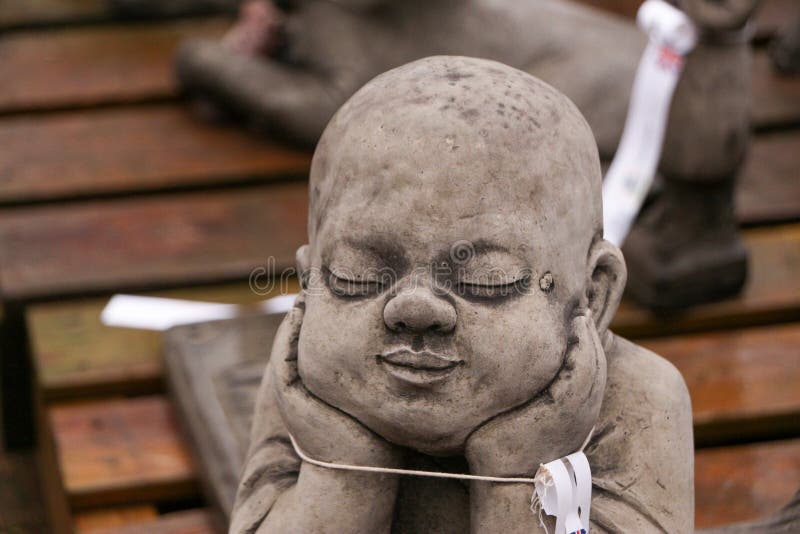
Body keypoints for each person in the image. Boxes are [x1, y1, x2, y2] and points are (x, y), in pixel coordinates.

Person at [231, 56, 693, 533]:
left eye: (486, 281)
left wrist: (518, 469)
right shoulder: (309, 384)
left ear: (593, 296)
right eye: (356, 277)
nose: (413, 309)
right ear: (310, 285)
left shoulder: (637, 399)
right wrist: (342, 469)